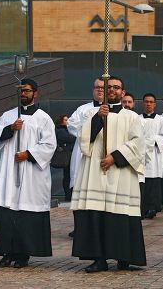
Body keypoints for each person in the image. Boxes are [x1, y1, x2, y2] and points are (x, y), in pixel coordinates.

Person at [71, 76, 146, 272]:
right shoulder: (91, 113)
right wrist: (98, 118)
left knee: (120, 214)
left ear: (123, 92)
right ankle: (99, 259)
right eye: (108, 87)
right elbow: (83, 140)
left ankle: (124, 257)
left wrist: (115, 157)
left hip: (120, 173)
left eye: (116, 87)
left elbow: (139, 144)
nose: (111, 90)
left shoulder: (131, 117)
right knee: (95, 214)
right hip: (95, 172)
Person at [0, 78, 56, 269]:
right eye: (21, 91)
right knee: (8, 212)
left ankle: (23, 254)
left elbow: (50, 145)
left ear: (36, 93)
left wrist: (28, 154)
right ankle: (7, 252)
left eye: (27, 91)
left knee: (26, 213)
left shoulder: (43, 118)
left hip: (32, 174)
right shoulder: (9, 115)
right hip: (10, 173)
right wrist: (10, 129)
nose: (23, 94)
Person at [66, 78, 103, 237]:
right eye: (96, 87)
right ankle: (80, 227)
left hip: (102, 156)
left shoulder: (116, 110)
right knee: (80, 191)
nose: (99, 90)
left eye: (103, 87)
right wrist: (89, 130)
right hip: (83, 154)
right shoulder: (82, 110)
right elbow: (72, 126)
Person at [139, 93, 163, 219]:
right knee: (142, 184)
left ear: (155, 104)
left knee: (153, 184)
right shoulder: (137, 119)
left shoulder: (161, 120)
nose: (148, 104)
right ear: (142, 103)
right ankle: (141, 209)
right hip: (141, 155)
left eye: (151, 102)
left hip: (155, 155)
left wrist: (152, 141)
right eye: (146, 101)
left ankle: (152, 208)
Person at [53, 114, 76, 201]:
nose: (68, 121)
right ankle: (68, 195)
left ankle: (69, 195)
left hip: (69, 157)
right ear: (61, 121)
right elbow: (69, 138)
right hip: (67, 157)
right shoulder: (61, 131)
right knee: (68, 177)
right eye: (66, 120)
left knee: (69, 176)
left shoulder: (67, 130)